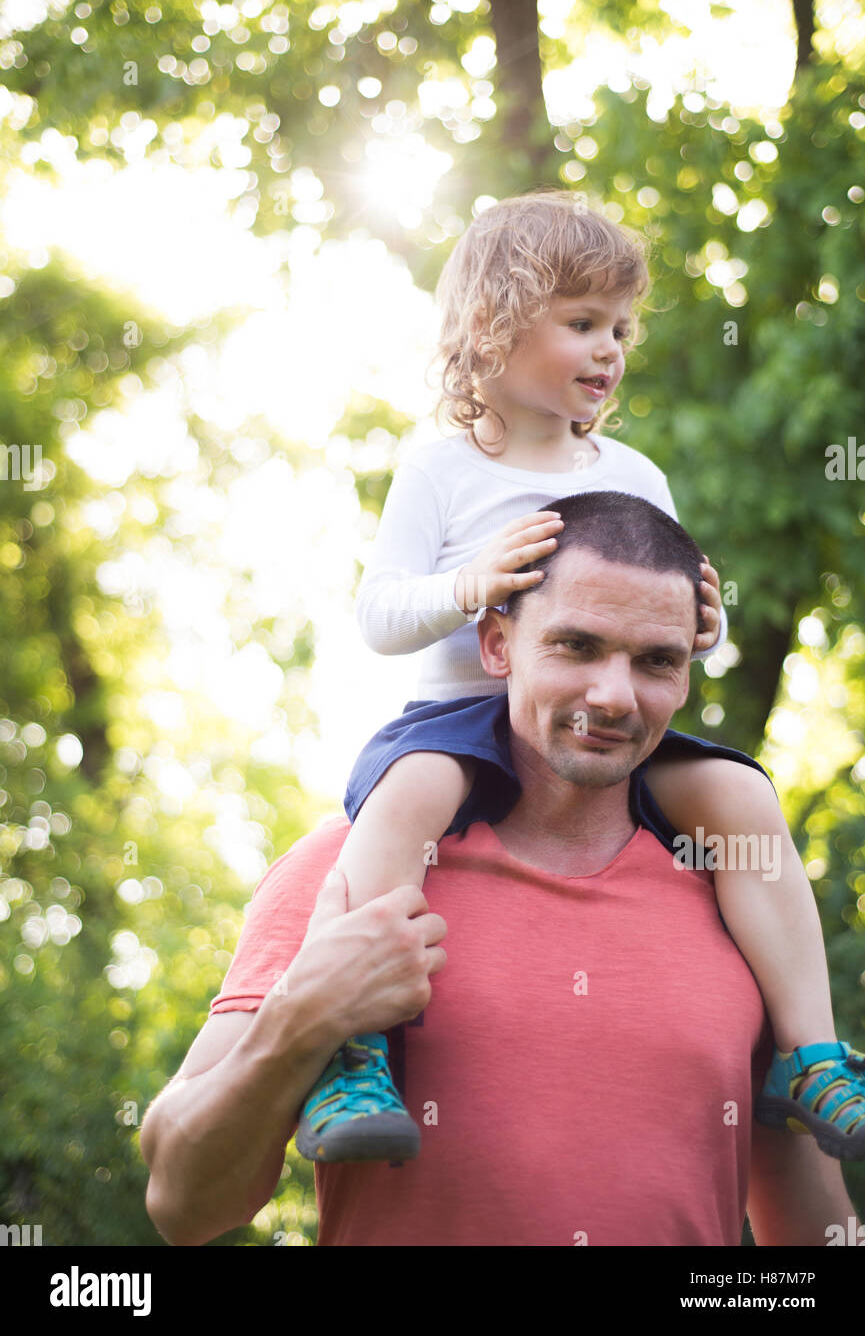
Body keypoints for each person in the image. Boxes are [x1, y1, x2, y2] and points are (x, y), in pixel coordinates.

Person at [286, 190, 865, 1165]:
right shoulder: (442, 471)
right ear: (493, 327)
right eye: (582, 322)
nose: (610, 349)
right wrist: (465, 585)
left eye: (621, 329)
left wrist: (703, 625)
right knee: (400, 799)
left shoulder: (633, 475)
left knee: (738, 791)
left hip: (596, 728)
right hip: (460, 720)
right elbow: (379, 614)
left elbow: (667, 627)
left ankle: (805, 1053)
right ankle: (354, 1048)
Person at [140, 493, 861, 1246]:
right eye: (576, 646)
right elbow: (181, 1206)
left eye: (655, 660)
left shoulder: (737, 891)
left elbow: (807, 1226)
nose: (612, 695)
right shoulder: (355, 871)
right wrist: (300, 1020)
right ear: (496, 646)